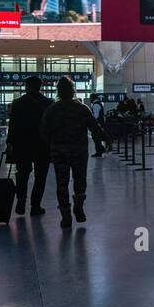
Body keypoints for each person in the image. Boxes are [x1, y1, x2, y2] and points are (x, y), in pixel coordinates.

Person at [40, 76, 106, 228]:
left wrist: (51, 144)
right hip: (79, 151)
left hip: (59, 151)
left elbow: (43, 131)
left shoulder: (52, 109)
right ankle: (79, 206)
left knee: (61, 183)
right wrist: (106, 138)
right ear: (72, 91)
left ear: (58, 91)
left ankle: (65, 215)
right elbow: (94, 127)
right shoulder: (82, 108)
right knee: (80, 180)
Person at [6, 76, 53, 216]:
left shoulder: (18, 103)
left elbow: (12, 125)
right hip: (42, 145)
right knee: (40, 176)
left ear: (26, 86)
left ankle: (21, 203)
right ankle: (35, 206)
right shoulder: (48, 103)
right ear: (40, 86)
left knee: (22, 175)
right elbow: (51, 125)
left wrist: (10, 143)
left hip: (22, 145)